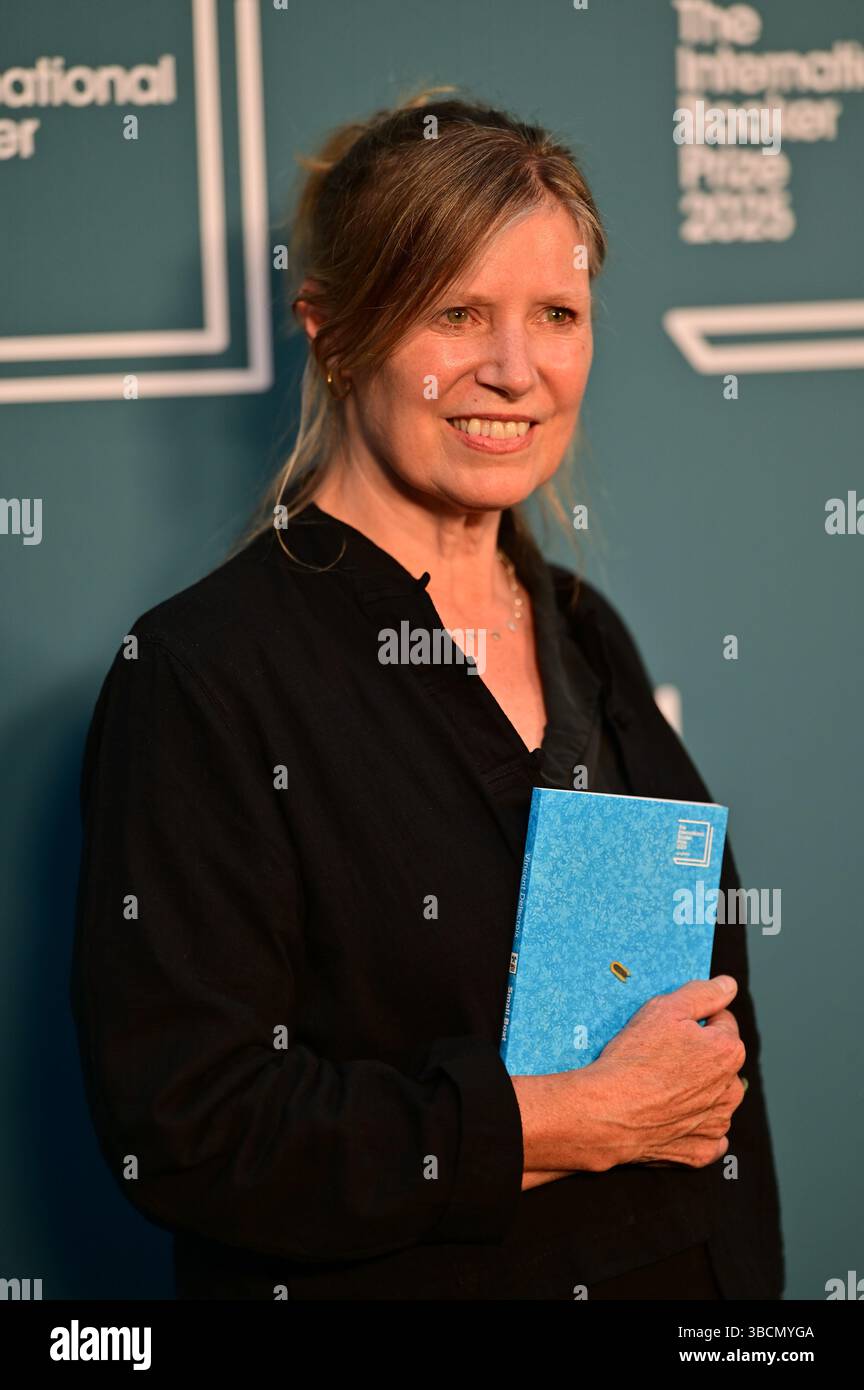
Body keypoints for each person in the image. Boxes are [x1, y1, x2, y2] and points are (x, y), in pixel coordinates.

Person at [71, 91, 784, 1300]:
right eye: (456, 312)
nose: (514, 370)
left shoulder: (581, 631)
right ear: (336, 333)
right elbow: (191, 1125)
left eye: (555, 313)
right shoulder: (203, 676)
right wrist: (562, 1119)